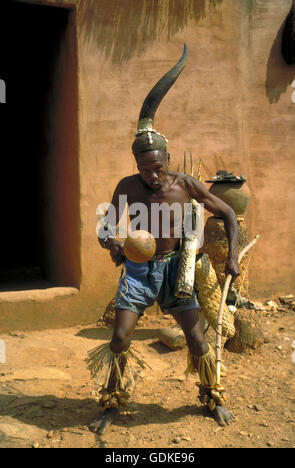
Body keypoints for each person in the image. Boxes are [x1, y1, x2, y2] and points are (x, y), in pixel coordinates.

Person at [92, 44, 240, 435]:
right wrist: (114, 244)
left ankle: (213, 396)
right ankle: (111, 402)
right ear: (136, 165)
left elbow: (226, 213)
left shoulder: (185, 185)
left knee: (195, 340)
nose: (152, 176)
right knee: (120, 337)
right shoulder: (127, 186)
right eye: (144, 168)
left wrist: (234, 258)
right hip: (139, 270)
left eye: (157, 167)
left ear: (167, 160)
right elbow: (106, 227)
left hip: (178, 269)